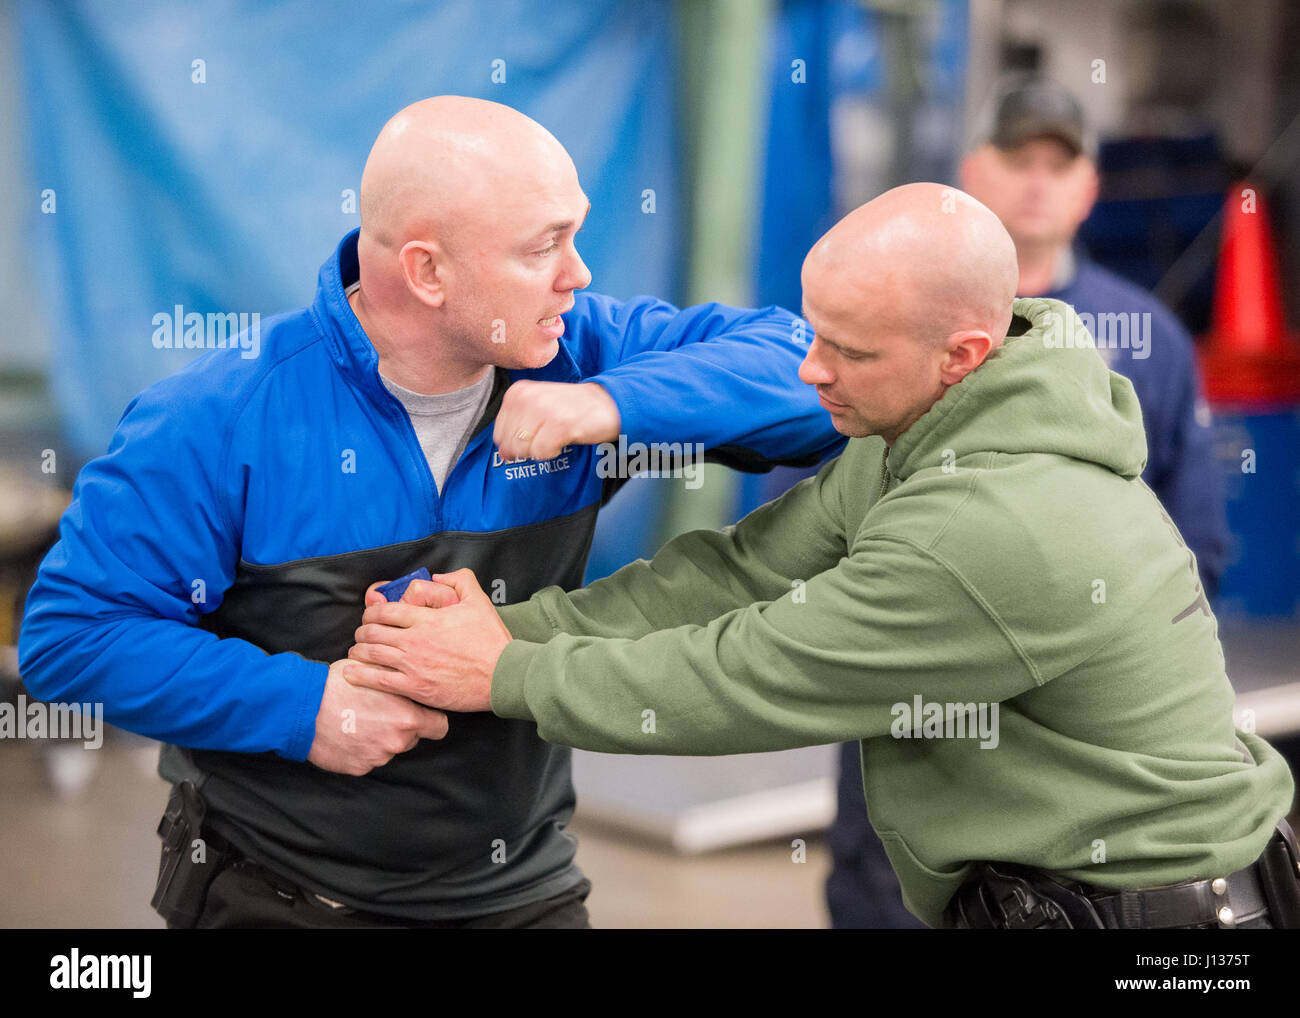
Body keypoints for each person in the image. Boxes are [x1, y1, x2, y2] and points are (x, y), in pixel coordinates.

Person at [345, 182, 1298, 930]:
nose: (808, 374)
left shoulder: (995, 528)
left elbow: (747, 673)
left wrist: (502, 672)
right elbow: (738, 573)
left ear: (961, 353)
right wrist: (502, 626)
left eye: (846, 352)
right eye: (814, 334)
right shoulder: (911, 434)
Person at [18, 96, 844, 929]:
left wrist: (610, 404)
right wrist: (307, 709)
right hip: (284, 901)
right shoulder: (216, 418)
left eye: (575, 235)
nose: (578, 274)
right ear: (427, 272)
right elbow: (72, 636)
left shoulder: (576, 353)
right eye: (544, 246)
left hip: (523, 892)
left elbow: (807, 375)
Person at [826, 78, 1235, 928]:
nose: (1039, 182)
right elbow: (818, 520)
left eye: (1062, 163)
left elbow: (1193, 546)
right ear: (976, 170)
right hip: (909, 731)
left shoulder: (1147, 341)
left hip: (1071, 786)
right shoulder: (881, 319)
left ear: (1090, 186)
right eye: (1019, 160)